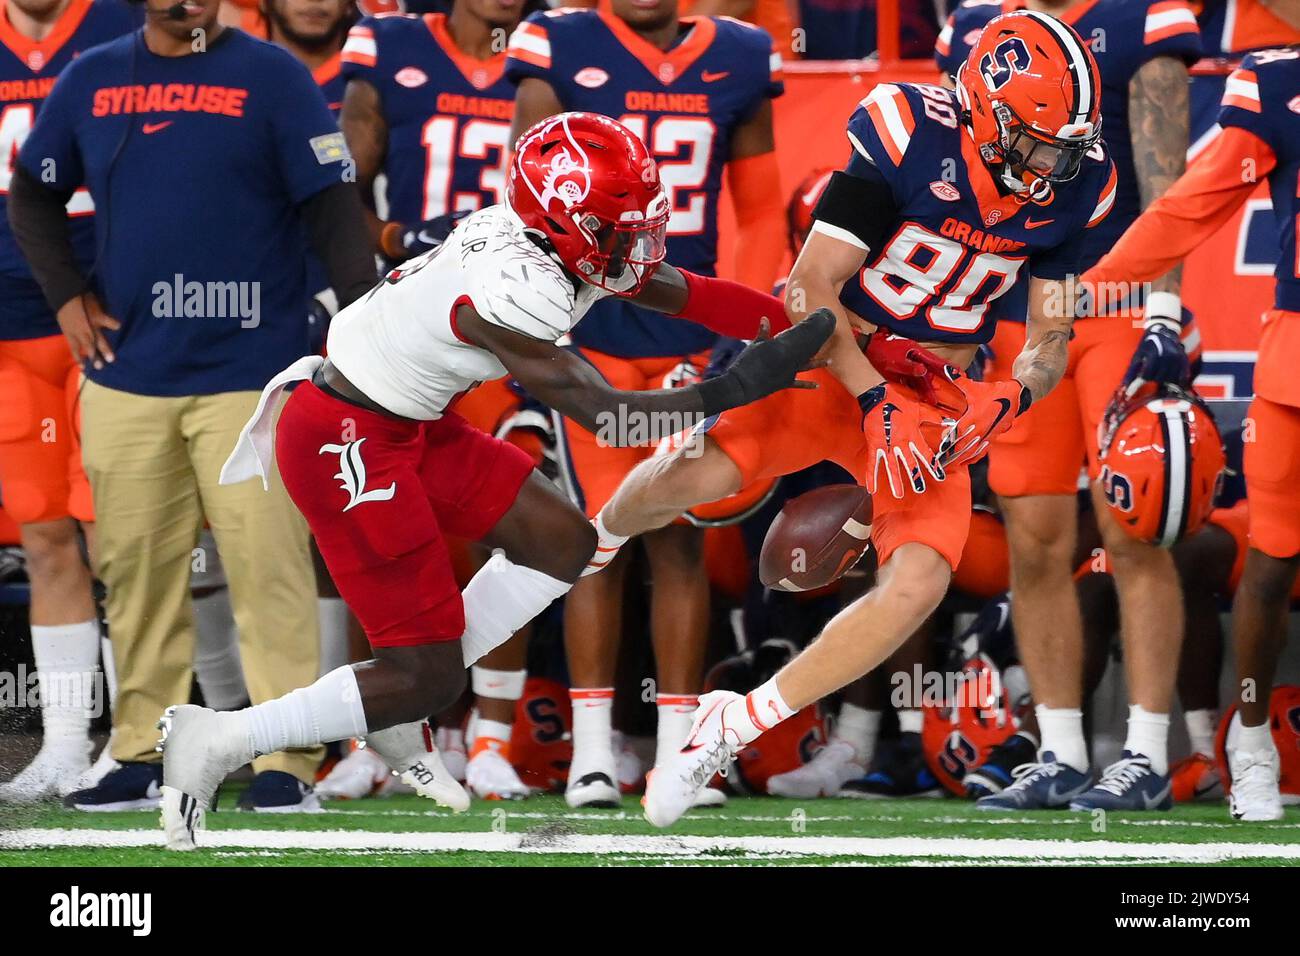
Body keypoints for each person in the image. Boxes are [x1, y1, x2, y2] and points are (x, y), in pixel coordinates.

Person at [154, 111, 832, 850]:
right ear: (563, 224)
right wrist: (739, 386)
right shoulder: (520, 286)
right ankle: (220, 738)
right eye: (618, 229)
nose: (636, 244)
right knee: (429, 678)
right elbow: (611, 420)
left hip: (408, 419)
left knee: (565, 543)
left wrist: (819, 334)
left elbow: (690, 292)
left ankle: (388, 702)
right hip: (343, 439)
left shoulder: (546, 234)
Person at [584, 10, 1121, 827]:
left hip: (930, 390)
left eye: (1066, 147)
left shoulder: (1079, 185)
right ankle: (595, 544)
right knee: (694, 481)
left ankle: (738, 720)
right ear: (984, 108)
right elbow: (809, 289)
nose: (1054, 165)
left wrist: (1013, 392)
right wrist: (871, 401)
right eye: (1041, 141)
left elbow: (1050, 336)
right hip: (832, 362)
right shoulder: (909, 133)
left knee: (918, 582)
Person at [7, 0, 377, 811]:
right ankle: (141, 749)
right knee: (134, 572)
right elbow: (32, 192)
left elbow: (332, 208)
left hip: (255, 367)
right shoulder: (93, 76)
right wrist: (67, 296)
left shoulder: (271, 73)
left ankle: (286, 758)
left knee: (268, 568)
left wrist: (365, 330)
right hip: (129, 371)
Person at [506, 0, 788, 808]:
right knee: (597, 536)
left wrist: (737, 331)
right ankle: (593, 754)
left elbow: (762, 208)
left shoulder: (738, 53)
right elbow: (525, 197)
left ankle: (676, 756)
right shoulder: (557, 39)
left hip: (687, 332)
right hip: (588, 331)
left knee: (678, 543)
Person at [934, 0, 1202, 813]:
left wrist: (1164, 310)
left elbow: (1168, 178)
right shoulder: (976, 24)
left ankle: (1148, 754)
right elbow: (955, 171)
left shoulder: (1143, 15)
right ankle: (1057, 749)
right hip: (1022, 314)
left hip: (1117, 301)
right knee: (1036, 537)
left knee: (1134, 527)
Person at [1083, 46, 1300, 820]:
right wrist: (1094, 290)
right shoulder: (1280, 81)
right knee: (1269, 572)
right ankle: (1250, 744)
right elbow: (1190, 205)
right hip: (1294, 362)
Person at [0, 0, 138, 804]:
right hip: (10, 327)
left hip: (112, 318)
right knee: (46, 533)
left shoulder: (126, 27)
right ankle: (60, 747)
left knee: (118, 538)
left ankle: (134, 742)